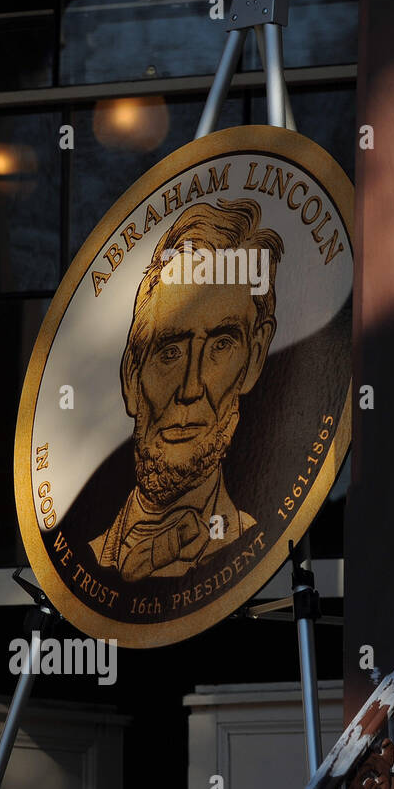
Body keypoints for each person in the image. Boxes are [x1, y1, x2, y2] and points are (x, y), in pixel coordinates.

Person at [90, 198, 282, 581]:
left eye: (221, 346)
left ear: (255, 358)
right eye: (170, 351)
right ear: (131, 376)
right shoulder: (90, 556)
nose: (191, 388)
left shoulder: (256, 541)